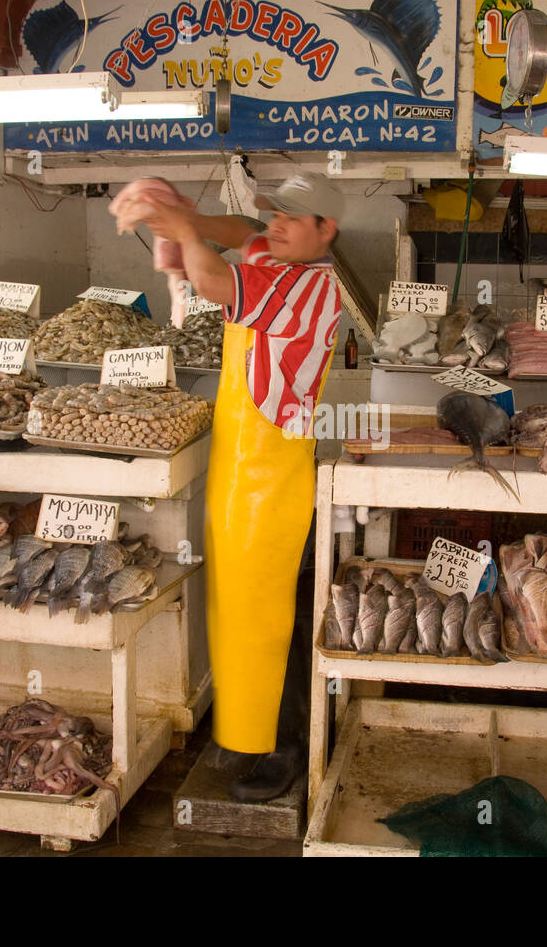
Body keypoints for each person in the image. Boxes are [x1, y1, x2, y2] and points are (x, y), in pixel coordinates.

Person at [118, 172, 343, 802]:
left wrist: (183, 230)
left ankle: (291, 749)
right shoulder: (274, 254)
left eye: (293, 218)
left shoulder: (306, 287)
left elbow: (214, 281)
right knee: (240, 615)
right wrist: (184, 213)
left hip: (274, 481)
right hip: (239, 469)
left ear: (327, 231)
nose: (275, 224)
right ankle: (247, 735)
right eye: (276, 212)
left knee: (282, 625)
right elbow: (243, 233)